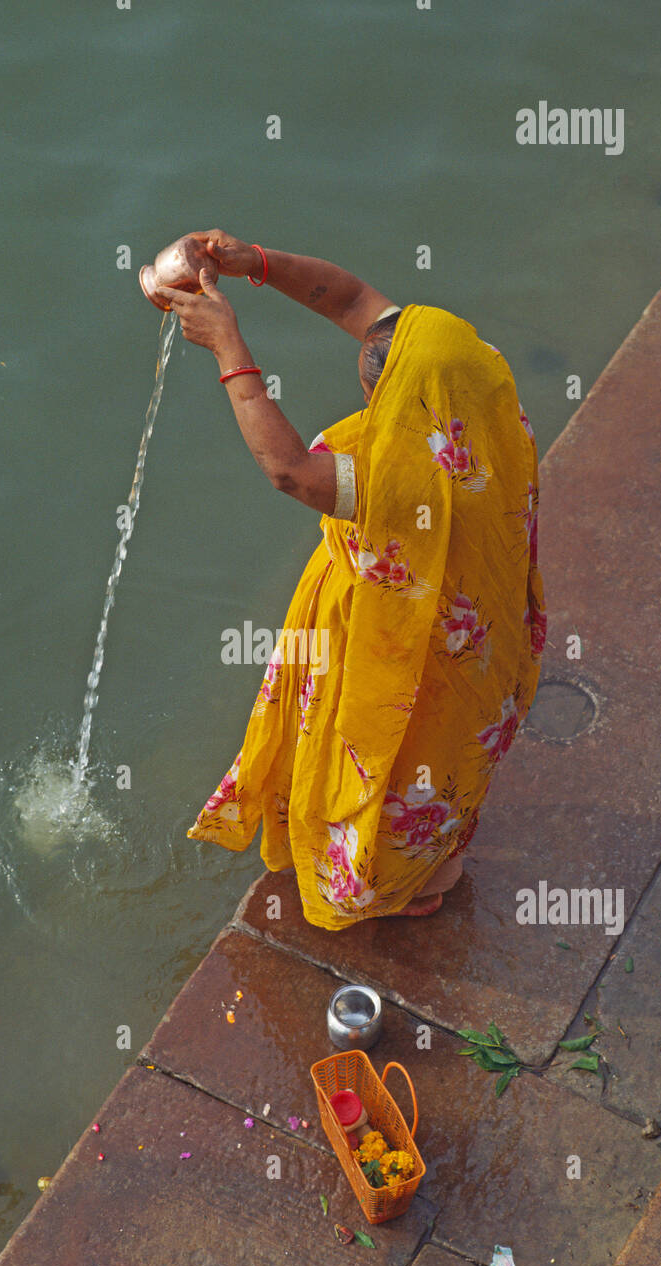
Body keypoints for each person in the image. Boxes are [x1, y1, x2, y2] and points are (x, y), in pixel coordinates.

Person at [158, 231, 546, 931]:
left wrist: (228, 350)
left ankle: (397, 886)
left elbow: (287, 472)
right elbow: (357, 300)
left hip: (396, 654)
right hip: (479, 649)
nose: (369, 388)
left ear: (407, 415)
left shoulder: (402, 485)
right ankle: (434, 854)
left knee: (383, 770)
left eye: (381, 393)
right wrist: (255, 263)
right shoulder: (480, 391)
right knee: (442, 761)